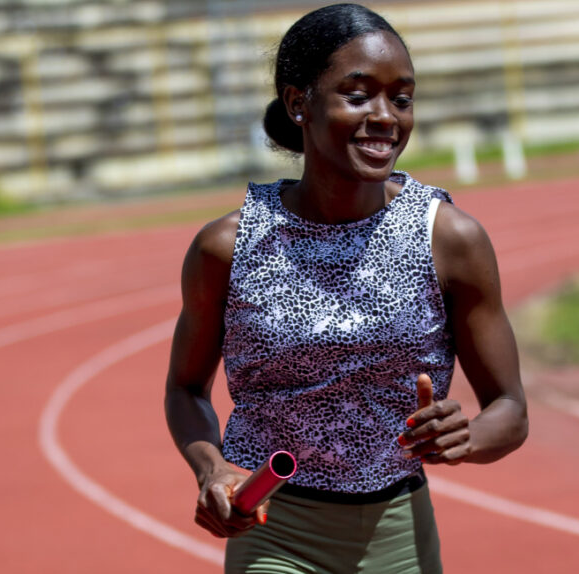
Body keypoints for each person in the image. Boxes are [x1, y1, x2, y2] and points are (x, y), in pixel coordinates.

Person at [163, 4, 528, 573]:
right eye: (358, 95)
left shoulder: (450, 240)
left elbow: (510, 409)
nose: (385, 116)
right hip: (275, 532)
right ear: (297, 103)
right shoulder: (227, 247)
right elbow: (186, 388)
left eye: (401, 99)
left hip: (399, 533)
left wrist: (468, 436)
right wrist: (213, 468)